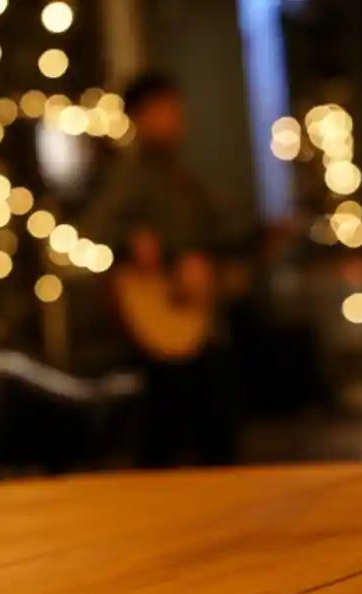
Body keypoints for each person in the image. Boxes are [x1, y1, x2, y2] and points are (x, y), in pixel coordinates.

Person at [82, 72, 238, 467]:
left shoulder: (185, 179)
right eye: (165, 110)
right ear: (141, 116)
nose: (176, 120)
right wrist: (134, 241)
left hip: (198, 321)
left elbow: (213, 241)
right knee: (165, 432)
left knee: (215, 429)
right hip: (156, 324)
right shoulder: (130, 176)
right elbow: (99, 227)